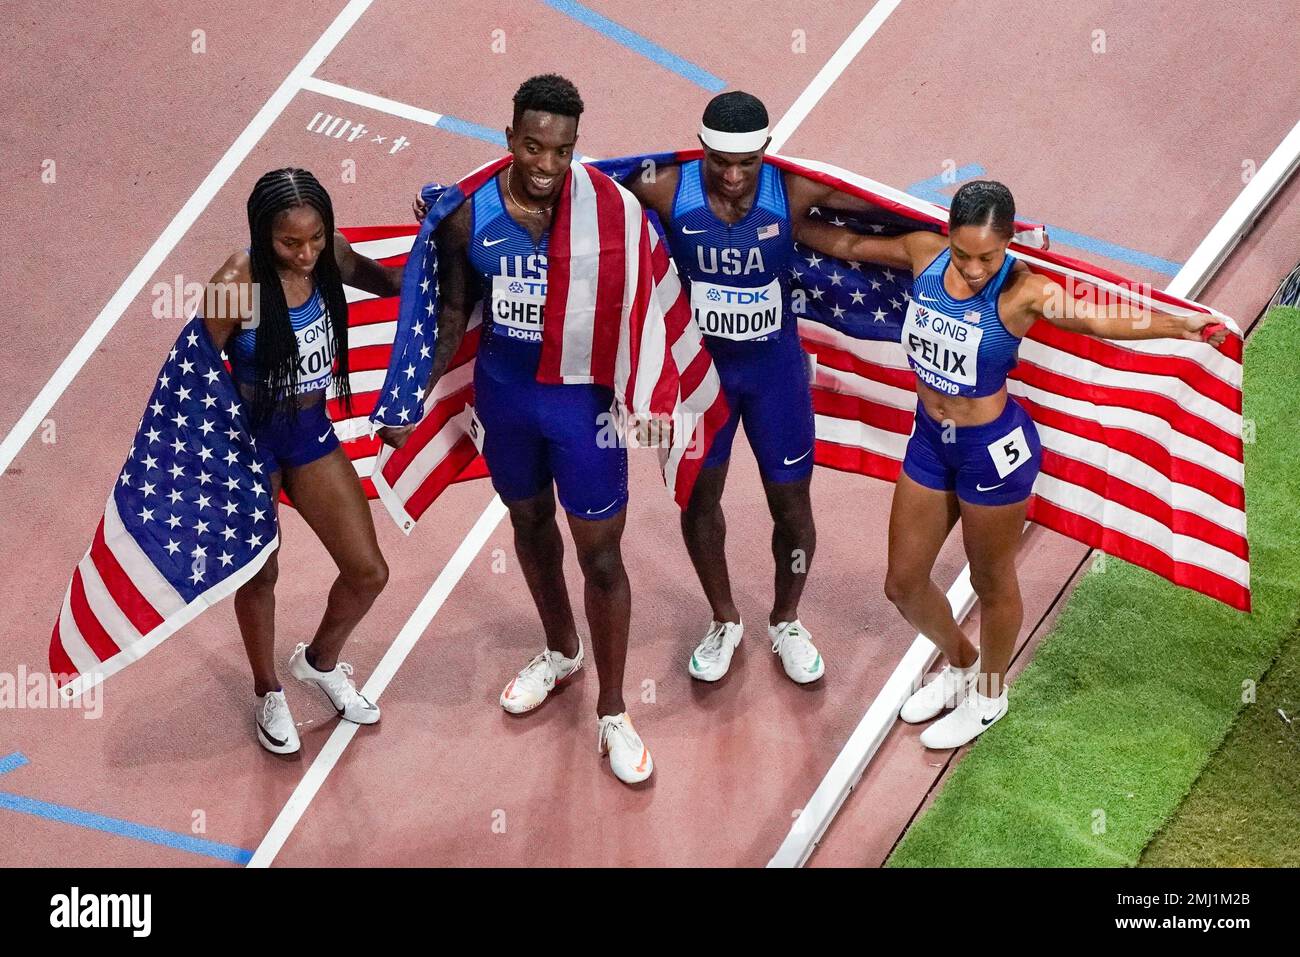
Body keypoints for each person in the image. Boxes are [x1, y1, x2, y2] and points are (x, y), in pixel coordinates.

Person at [798, 179, 1227, 748]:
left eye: (988, 257)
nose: (974, 269)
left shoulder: (1024, 292)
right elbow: (847, 247)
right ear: (946, 236)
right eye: (964, 253)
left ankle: (991, 694)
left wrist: (1181, 326)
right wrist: (775, 222)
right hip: (930, 439)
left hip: (993, 453)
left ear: (1008, 247)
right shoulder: (924, 254)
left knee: (990, 579)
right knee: (902, 584)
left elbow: (1098, 321)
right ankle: (962, 663)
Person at [383, 75, 652, 784]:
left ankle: (615, 710)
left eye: (561, 150)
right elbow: (449, 314)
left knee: (601, 558)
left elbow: (651, 278)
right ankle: (562, 651)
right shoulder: (469, 218)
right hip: (506, 401)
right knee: (529, 525)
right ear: (508, 140)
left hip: (581, 411)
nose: (546, 164)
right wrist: (408, 398)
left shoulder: (603, 213)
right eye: (533, 145)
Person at [623, 91, 875, 685]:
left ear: (765, 151)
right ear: (701, 150)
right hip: (697, 378)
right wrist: (451, 206)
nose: (734, 178)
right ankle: (724, 619)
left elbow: (886, 214)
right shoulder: (662, 186)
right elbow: (574, 198)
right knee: (698, 498)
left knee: (791, 504)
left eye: (747, 164)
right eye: (720, 164)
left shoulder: (791, 191)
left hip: (773, 376)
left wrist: (1003, 236)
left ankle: (786, 619)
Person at [202, 168, 403, 754]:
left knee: (369, 572)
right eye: (291, 243)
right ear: (262, 234)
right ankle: (268, 690)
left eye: (315, 237)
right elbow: (196, 369)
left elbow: (393, 285)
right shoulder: (236, 281)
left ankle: (318, 662)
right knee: (261, 573)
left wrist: (448, 243)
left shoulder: (331, 255)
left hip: (310, 432)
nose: (307, 252)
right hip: (250, 445)